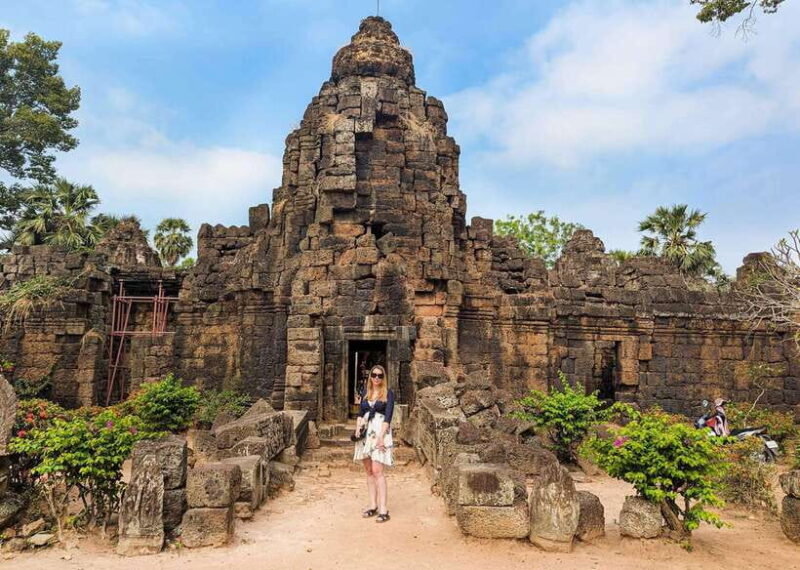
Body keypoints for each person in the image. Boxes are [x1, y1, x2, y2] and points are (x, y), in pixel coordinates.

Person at [353, 364, 394, 523]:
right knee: (369, 470)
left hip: (380, 432)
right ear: (370, 376)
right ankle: (372, 505)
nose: (377, 378)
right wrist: (357, 428)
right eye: (374, 375)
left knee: (378, 470)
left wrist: (381, 437)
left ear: (383, 378)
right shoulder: (365, 392)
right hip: (365, 433)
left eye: (380, 376)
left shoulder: (388, 394)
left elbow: (388, 416)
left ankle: (383, 508)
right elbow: (360, 413)